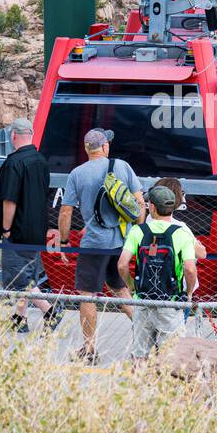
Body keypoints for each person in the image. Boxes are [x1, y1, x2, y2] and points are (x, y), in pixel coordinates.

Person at [52, 128, 143, 364]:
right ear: (104, 147)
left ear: (86, 148)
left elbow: (65, 211)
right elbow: (140, 203)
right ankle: (148, 338)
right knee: (122, 292)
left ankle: (90, 349)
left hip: (93, 244)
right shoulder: (122, 166)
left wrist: (64, 241)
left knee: (87, 296)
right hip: (121, 243)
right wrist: (135, 236)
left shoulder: (77, 174)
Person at [0, 117, 58, 334]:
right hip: (36, 230)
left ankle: (51, 310)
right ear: (31, 135)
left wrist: (6, 229)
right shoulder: (41, 162)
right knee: (27, 274)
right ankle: (19, 319)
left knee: (17, 278)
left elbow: (9, 200)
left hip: (17, 231)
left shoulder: (13, 163)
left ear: (14, 136)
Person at [117, 184, 199, 363]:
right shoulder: (182, 234)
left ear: (152, 207)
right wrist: (189, 293)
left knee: (140, 356)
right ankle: (165, 389)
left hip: (143, 301)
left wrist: (132, 287)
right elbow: (190, 269)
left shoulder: (138, 231)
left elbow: (122, 265)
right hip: (170, 303)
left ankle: (139, 387)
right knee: (172, 357)